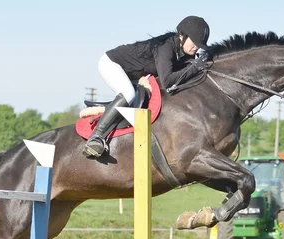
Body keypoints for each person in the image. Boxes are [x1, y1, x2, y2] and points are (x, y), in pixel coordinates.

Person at [83, 15, 211, 158]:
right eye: (194, 42)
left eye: (200, 44)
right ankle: (96, 137)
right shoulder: (166, 47)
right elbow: (168, 81)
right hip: (111, 64)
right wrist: (196, 67)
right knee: (128, 94)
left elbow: (184, 73)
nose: (197, 47)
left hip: (131, 75)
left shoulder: (180, 51)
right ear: (182, 35)